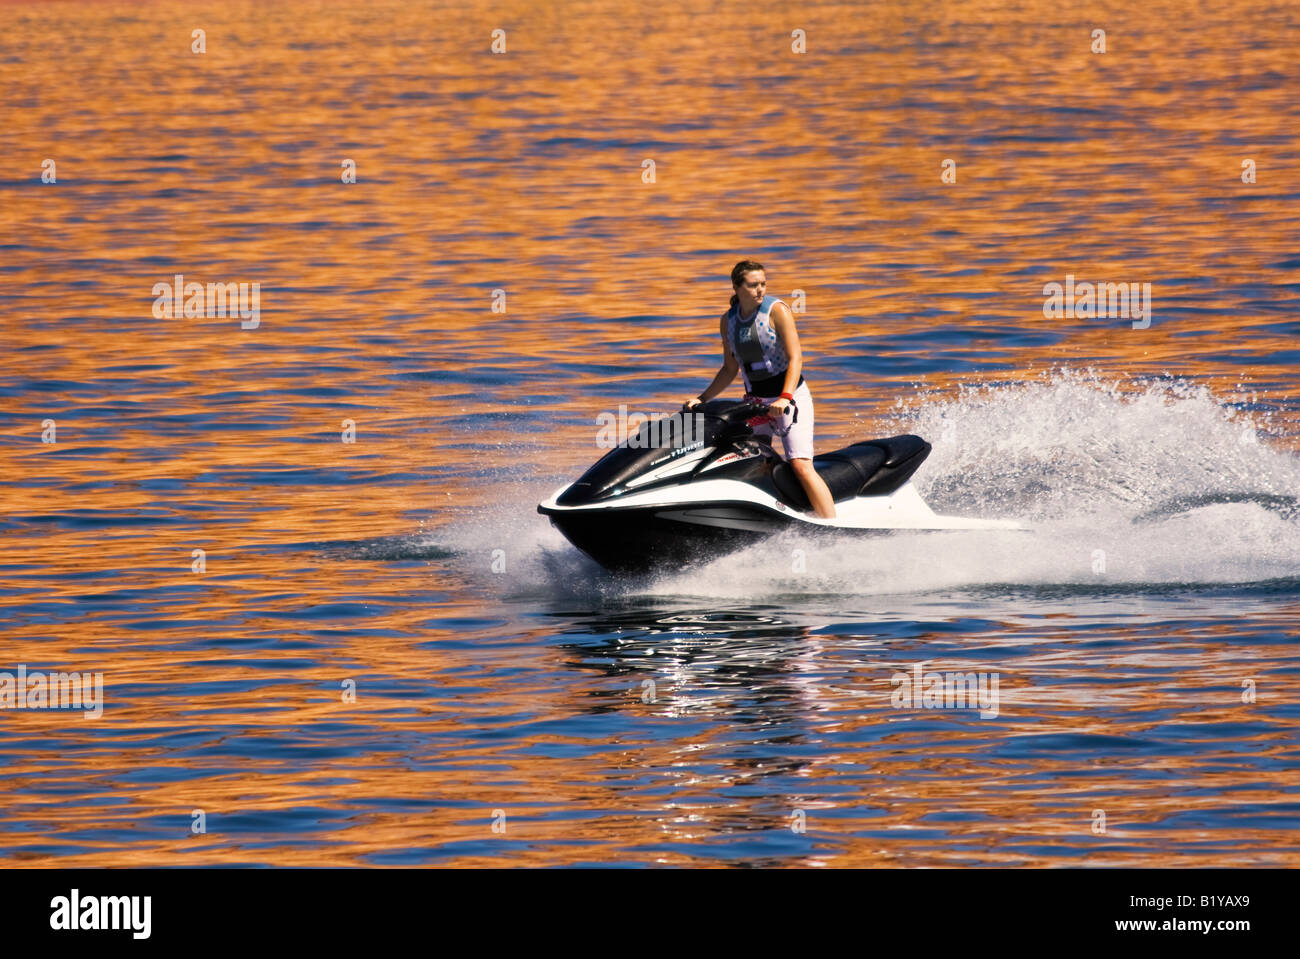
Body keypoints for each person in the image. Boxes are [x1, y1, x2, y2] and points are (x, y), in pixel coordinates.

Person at [684, 259, 836, 518]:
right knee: (751, 463)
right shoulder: (728, 321)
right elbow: (730, 369)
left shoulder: (777, 311)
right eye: (754, 285)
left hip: (790, 399)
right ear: (736, 287)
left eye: (763, 284)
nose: (761, 290)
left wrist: (785, 397)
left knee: (800, 465)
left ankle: (831, 525)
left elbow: (795, 358)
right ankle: (771, 516)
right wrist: (701, 398)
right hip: (755, 403)